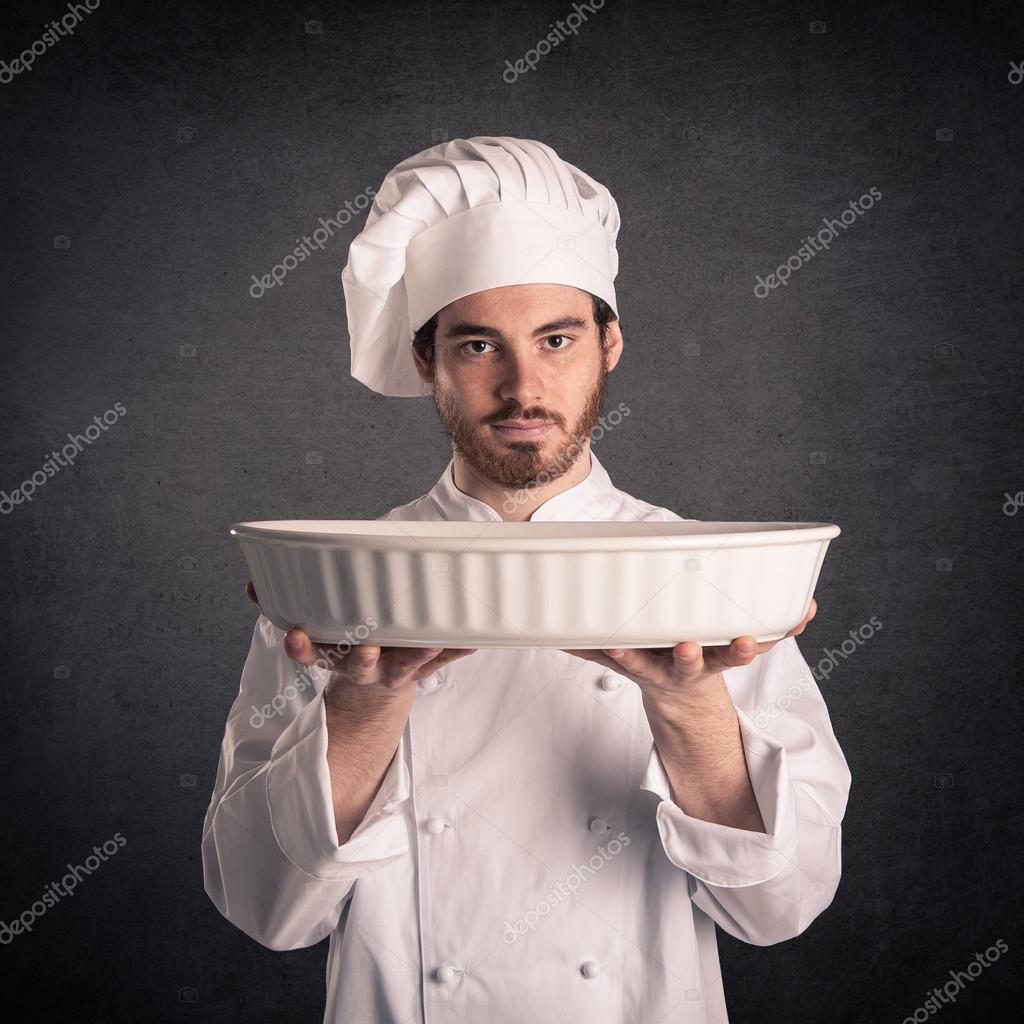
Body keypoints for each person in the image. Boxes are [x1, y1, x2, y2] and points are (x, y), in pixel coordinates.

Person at [202, 137, 851, 1023]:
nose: (523, 386)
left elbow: (782, 908)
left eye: (557, 338)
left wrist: (694, 712)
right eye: (478, 346)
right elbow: (265, 910)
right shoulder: (340, 587)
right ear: (427, 361)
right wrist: (361, 714)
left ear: (610, 343)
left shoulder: (705, 577)